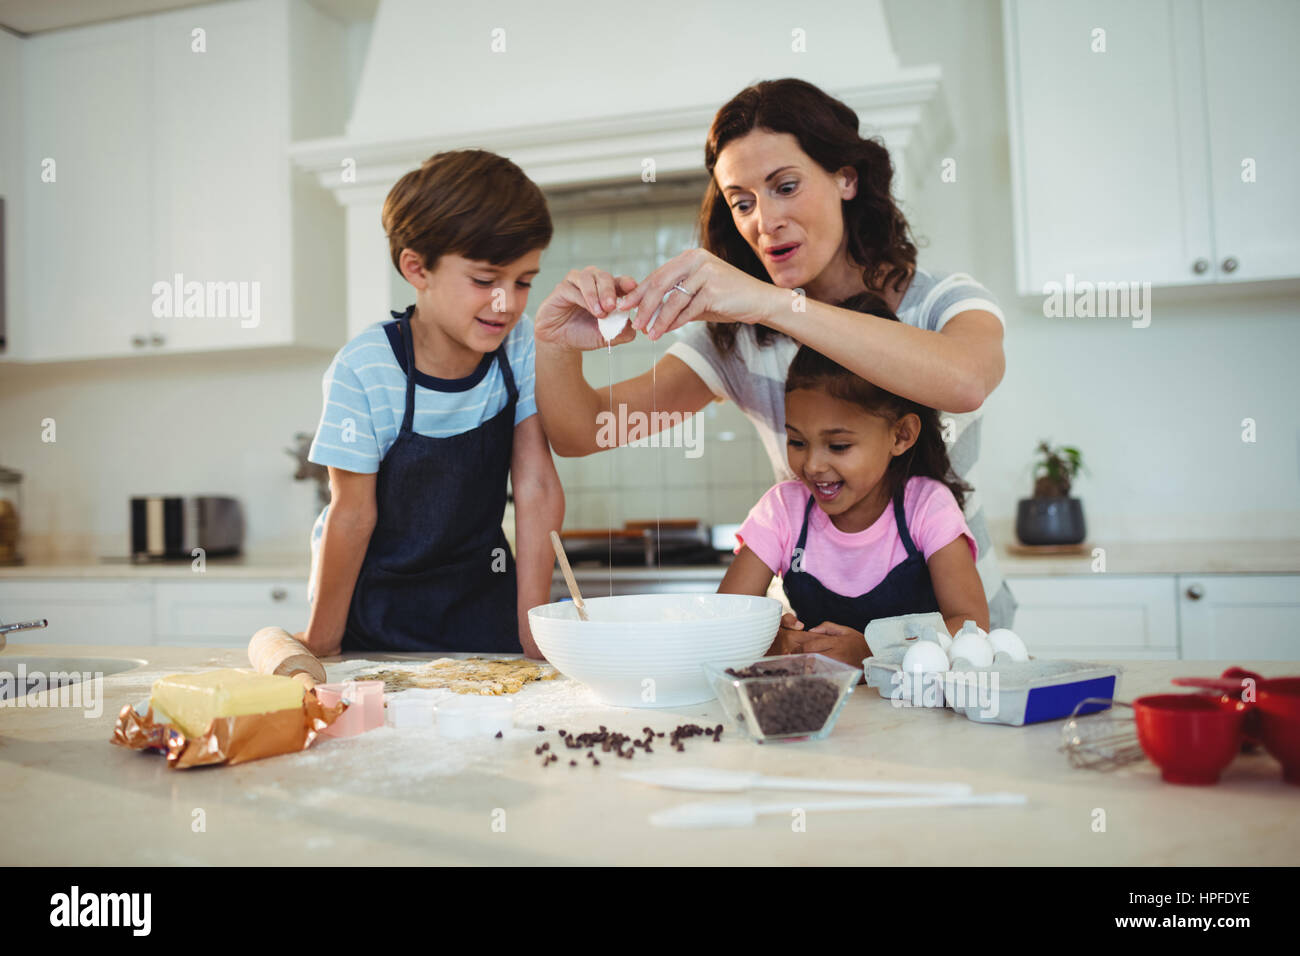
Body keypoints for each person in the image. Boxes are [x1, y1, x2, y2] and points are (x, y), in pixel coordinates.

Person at [532, 77, 1015, 628]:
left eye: (785, 186)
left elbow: (967, 379)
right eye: (743, 202)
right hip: (824, 649)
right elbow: (584, 431)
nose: (765, 221)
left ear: (846, 178)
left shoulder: (942, 301)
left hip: (963, 642)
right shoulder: (741, 336)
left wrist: (775, 303)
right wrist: (555, 343)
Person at [302, 150, 564, 657]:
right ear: (417, 268)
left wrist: (534, 639)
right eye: (486, 281)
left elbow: (536, 488)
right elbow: (351, 516)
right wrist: (320, 643)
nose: (506, 303)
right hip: (374, 628)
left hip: (485, 617)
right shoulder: (365, 369)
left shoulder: (519, 346)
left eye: (524, 281)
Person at [718, 292, 988, 668]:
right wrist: (774, 640)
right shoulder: (782, 511)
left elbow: (971, 626)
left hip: (915, 718)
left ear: (900, 436)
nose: (812, 464)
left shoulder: (927, 508)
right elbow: (724, 624)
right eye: (797, 441)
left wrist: (872, 653)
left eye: (839, 445)